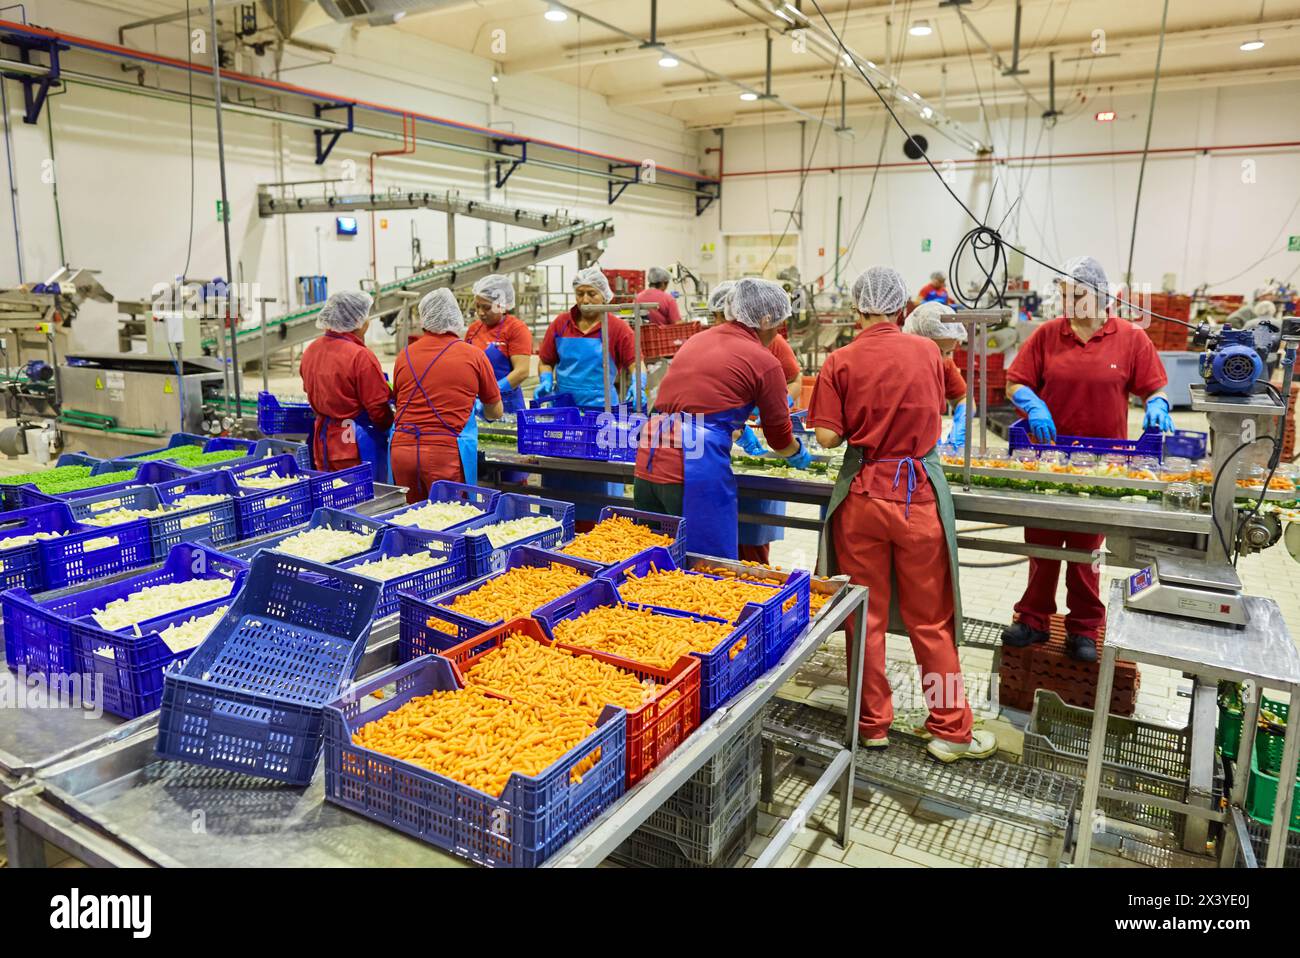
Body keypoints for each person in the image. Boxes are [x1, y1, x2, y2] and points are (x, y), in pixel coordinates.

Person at [809, 265, 995, 763]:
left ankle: (871, 724)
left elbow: (826, 438)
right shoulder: (930, 353)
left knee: (863, 617)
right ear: (902, 307)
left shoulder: (840, 360)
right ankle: (950, 729)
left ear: (855, 310)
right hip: (919, 499)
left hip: (864, 498)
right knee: (931, 622)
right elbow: (954, 397)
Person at [1002, 256, 1170, 662]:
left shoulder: (1130, 338)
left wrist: (1158, 404)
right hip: (1049, 461)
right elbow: (1014, 383)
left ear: (1100, 296)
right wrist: (1033, 403)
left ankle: (1083, 628)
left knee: (1086, 552)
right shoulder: (1047, 335)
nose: (1069, 303)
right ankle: (1033, 619)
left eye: (1077, 295)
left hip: (1103, 463)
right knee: (1042, 544)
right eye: (1064, 295)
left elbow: (1155, 386)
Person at [634, 277, 808, 559]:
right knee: (705, 568)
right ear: (764, 319)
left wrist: (734, 428)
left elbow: (696, 403)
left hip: (649, 459)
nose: (778, 331)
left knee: (653, 564)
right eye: (777, 323)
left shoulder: (697, 340)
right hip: (692, 467)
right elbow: (779, 438)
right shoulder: (764, 361)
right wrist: (798, 453)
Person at [536, 266, 640, 526]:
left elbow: (635, 363)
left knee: (600, 478)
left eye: (591, 294)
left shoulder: (616, 327)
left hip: (601, 413)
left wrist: (639, 380)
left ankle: (601, 528)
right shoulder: (561, 323)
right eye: (579, 293)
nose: (584, 300)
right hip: (565, 414)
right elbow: (546, 360)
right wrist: (546, 378)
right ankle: (559, 526)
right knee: (561, 475)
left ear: (604, 295)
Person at [707, 280, 800, 563]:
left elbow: (794, 378)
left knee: (753, 535)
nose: (724, 323)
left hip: (759, 433)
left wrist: (781, 405)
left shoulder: (772, 343)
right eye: (719, 317)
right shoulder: (711, 343)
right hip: (720, 442)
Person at [390, 288, 503, 503]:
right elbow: (496, 411)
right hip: (442, 455)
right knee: (446, 523)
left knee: (410, 521)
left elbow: (400, 399)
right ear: (456, 316)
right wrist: (478, 408)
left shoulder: (404, 355)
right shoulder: (473, 355)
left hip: (402, 451)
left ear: (424, 318)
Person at [299, 290, 394, 482]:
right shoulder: (360, 356)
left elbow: (309, 389)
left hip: (322, 442)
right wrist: (389, 425)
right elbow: (377, 408)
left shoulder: (311, 349)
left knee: (330, 495)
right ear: (358, 321)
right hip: (354, 445)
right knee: (362, 500)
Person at [904, 300, 970, 445]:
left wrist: (962, 420)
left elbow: (963, 398)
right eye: (938, 352)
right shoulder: (899, 367)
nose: (942, 359)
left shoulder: (945, 364)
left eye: (948, 352)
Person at [464, 274, 532, 413]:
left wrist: (492, 393)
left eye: (487, 307)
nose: (481, 313)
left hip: (507, 406)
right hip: (476, 404)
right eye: (477, 307)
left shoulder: (516, 329)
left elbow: (522, 371)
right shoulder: (473, 329)